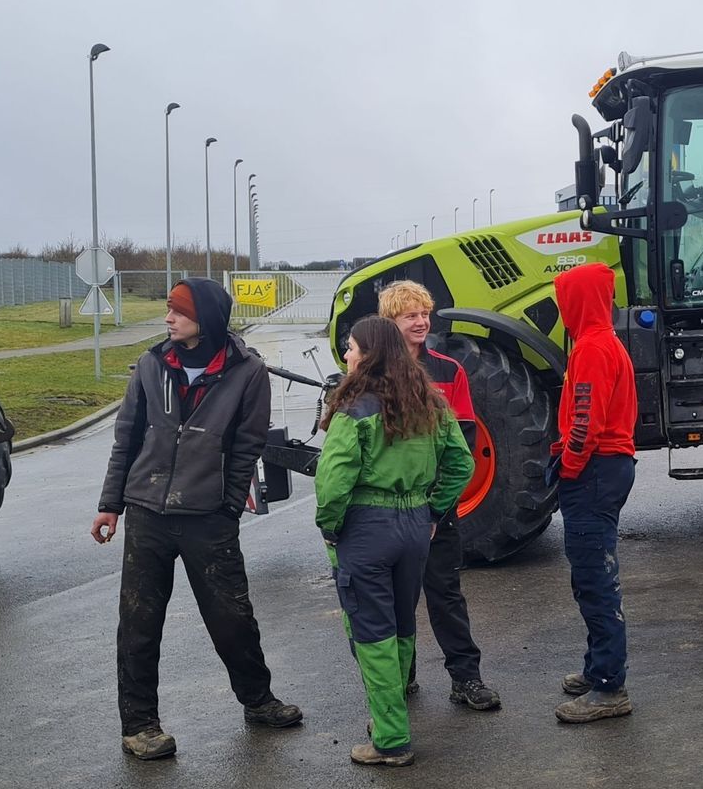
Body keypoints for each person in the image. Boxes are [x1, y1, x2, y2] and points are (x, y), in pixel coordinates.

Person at [92, 278, 302, 762]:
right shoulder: (151, 363)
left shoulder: (247, 372)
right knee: (139, 623)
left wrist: (228, 508)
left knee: (232, 616)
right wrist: (111, 504)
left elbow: (249, 445)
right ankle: (140, 724)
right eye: (168, 310)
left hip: (208, 517)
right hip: (147, 512)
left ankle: (258, 701)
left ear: (204, 319)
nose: (168, 319)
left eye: (178, 312)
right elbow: (126, 438)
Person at [315, 315, 475, 767]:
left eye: (350, 347)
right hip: (414, 527)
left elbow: (333, 483)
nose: (346, 354)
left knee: (371, 632)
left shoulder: (353, 409)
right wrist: (431, 511)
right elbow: (461, 465)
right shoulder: (430, 400)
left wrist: (331, 526)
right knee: (402, 624)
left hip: (367, 528)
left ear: (368, 355)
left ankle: (389, 739)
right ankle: (392, 716)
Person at [377, 280, 502, 712]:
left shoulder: (450, 371)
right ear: (390, 322)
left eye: (424, 313)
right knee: (395, 598)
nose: (421, 321)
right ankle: (402, 676)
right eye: (410, 314)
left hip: (437, 510)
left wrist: (436, 507)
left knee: (446, 594)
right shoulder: (372, 375)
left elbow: (462, 441)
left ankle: (466, 678)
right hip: (388, 511)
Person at [550, 262, 638, 724]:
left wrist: (567, 467)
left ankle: (609, 687)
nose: (562, 307)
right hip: (609, 467)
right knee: (592, 575)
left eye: (564, 297)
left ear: (576, 301)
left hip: (595, 471)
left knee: (596, 581)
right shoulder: (607, 343)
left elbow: (585, 423)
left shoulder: (590, 349)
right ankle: (598, 669)